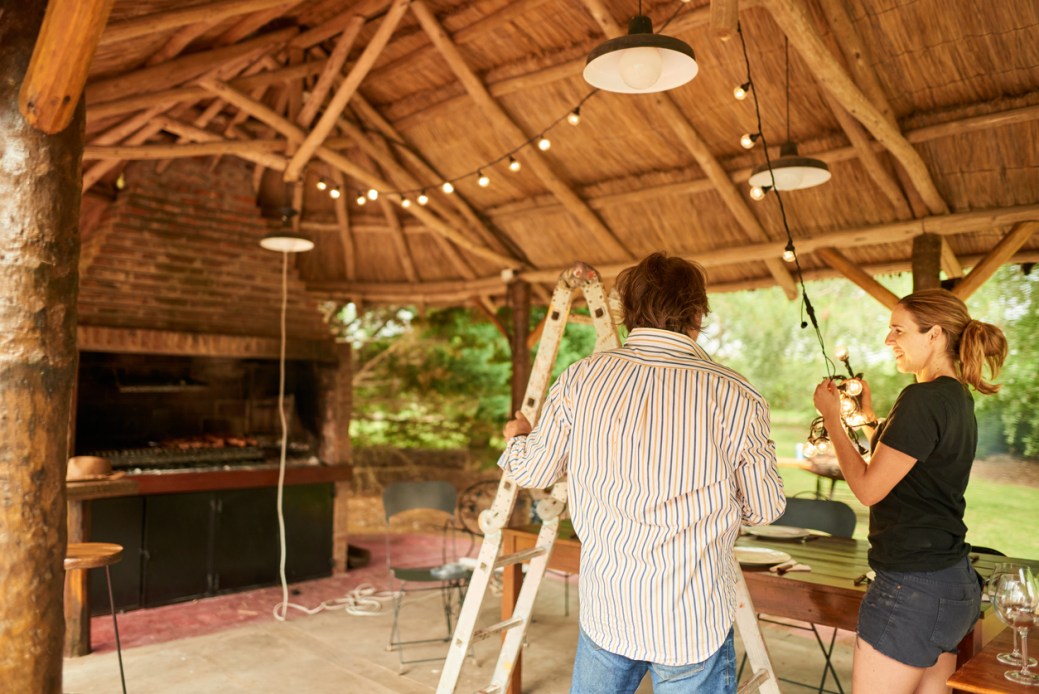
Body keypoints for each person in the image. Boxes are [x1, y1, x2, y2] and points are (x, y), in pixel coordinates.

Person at [500, 252, 786, 693]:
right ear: (697, 313)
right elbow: (765, 508)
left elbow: (534, 469)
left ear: (627, 312)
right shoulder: (735, 394)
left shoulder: (582, 380)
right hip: (693, 616)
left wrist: (518, 437)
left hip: (609, 608)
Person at [812, 288, 1008, 694]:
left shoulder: (922, 398)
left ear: (934, 334)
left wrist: (833, 420)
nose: (889, 341)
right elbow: (913, 470)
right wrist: (868, 420)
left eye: (898, 330)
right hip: (951, 585)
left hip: (911, 590)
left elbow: (868, 489)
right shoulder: (955, 397)